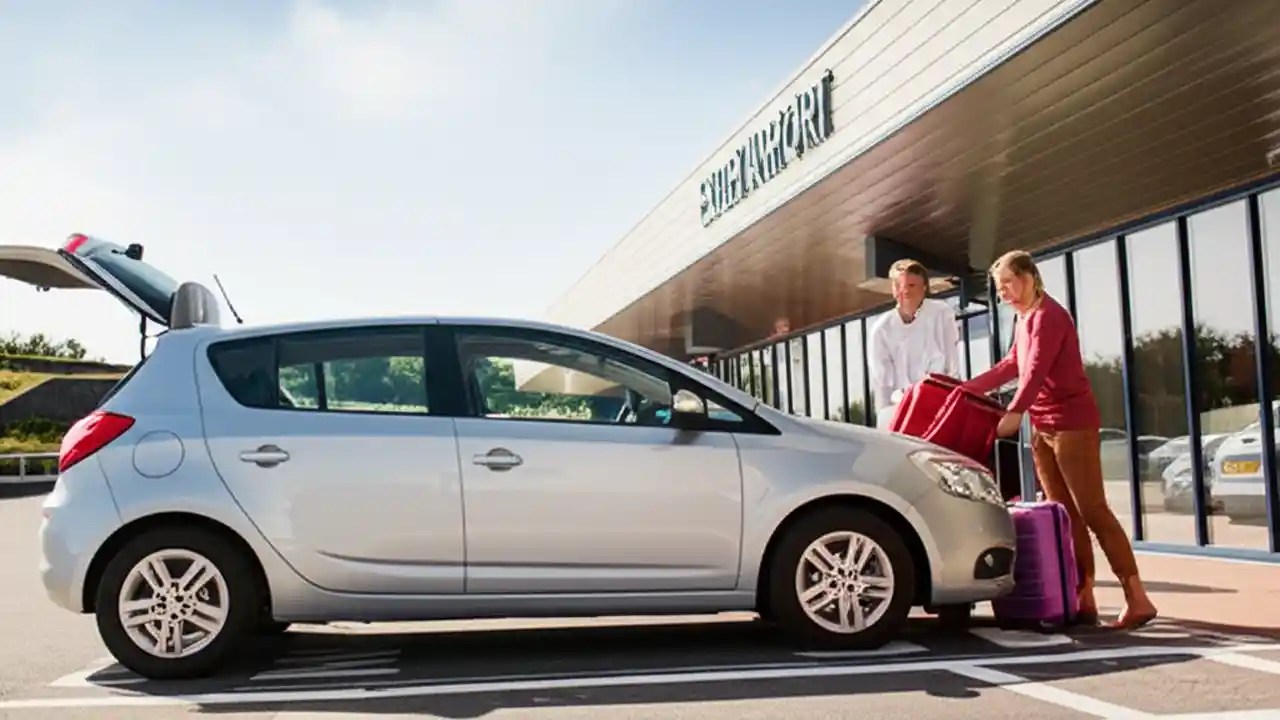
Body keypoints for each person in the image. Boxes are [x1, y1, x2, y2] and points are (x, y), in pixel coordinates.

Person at [962, 249, 1158, 630]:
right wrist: (963, 390)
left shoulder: (1050, 316)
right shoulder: (1024, 320)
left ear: (1030, 277)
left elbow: (1035, 371)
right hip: (1043, 426)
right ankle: (1083, 595)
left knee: (1092, 510)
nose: (1005, 292)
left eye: (1009, 283)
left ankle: (1137, 597)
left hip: (1072, 423)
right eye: (999, 287)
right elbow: (1010, 366)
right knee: (1065, 517)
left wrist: (1014, 411)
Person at [868, 258, 961, 428]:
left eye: (911, 286)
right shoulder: (881, 329)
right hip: (900, 408)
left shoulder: (941, 313)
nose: (905, 292)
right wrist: (884, 419)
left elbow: (952, 361)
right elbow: (881, 381)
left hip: (939, 403)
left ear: (924, 287)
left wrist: (953, 402)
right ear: (893, 289)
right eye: (899, 286)